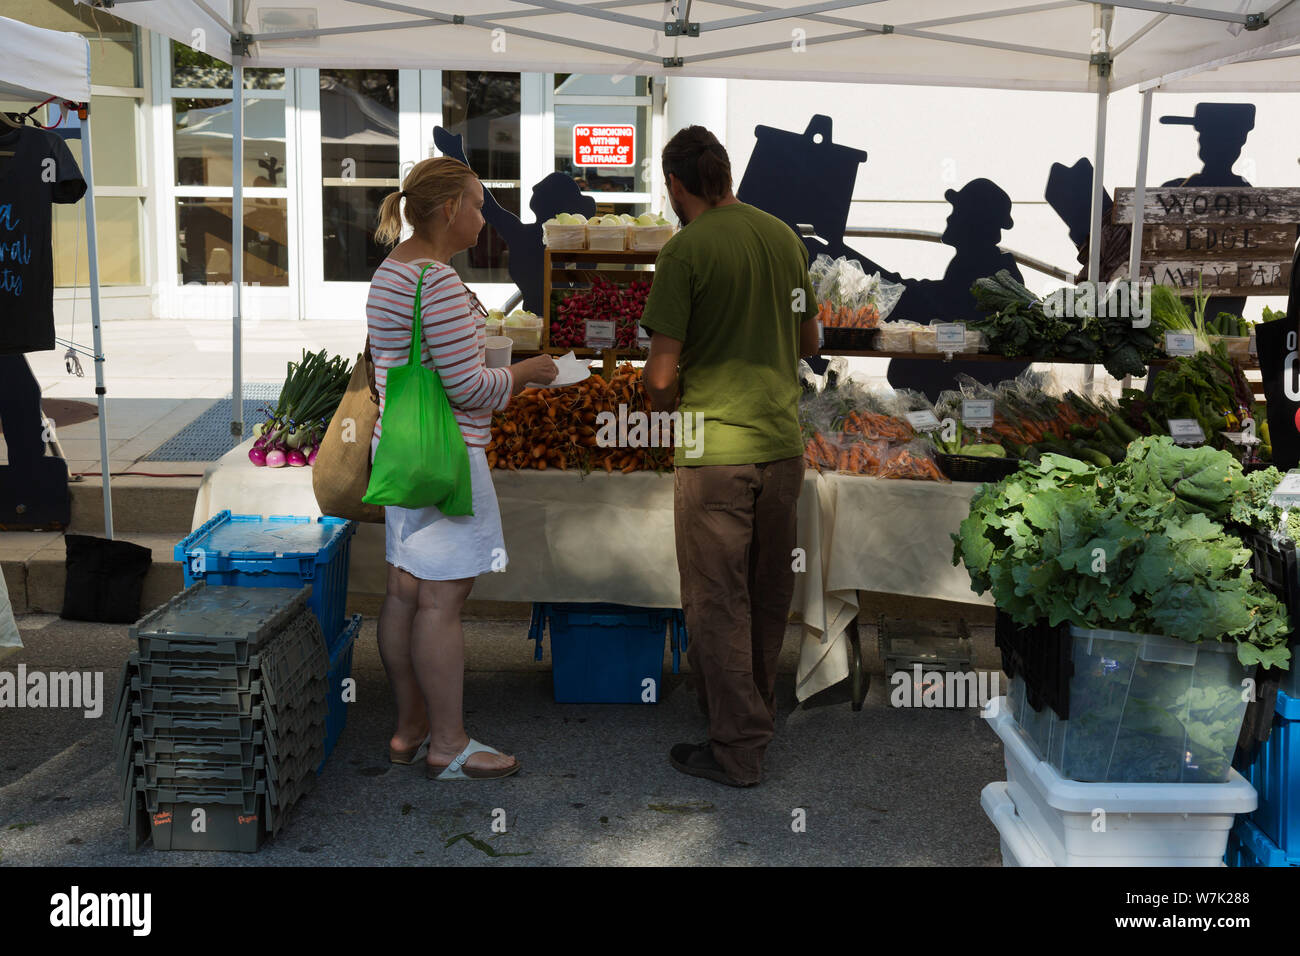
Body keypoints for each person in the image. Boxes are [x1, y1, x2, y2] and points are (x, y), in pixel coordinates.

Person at [639, 126, 820, 787]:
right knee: (767, 591)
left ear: (677, 184)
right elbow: (810, 338)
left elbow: (660, 378)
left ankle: (738, 748)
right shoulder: (784, 239)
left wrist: (657, 395)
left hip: (711, 447)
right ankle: (749, 714)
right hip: (780, 444)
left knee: (718, 599)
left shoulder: (684, 253)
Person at [367, 156, 558, 780]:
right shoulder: (439, 283)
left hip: (401, 447)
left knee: (403, 589)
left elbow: (391, 364)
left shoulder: (389, 272)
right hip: (447, 455)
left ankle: (408, 728)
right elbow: (470, 388)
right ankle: (449, 743)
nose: (484, 216)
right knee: (442, 601)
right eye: (477, 204)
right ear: (448, 210)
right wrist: (525, 374)